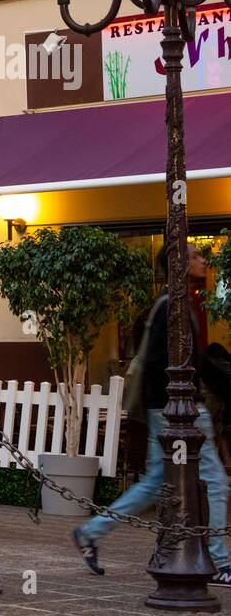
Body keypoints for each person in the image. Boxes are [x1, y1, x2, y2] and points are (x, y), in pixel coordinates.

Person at [72, 243, 231, 586]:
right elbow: (174, 362)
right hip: (179, 410)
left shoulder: (174, 303)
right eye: (195, 255)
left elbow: (191, 359)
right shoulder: (171, 306)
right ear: (180, 264)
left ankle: (90, 532)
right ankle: (219, 560)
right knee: (216, 481)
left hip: (168, 408)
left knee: (153, 483)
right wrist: (182, 404)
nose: (203, 260)